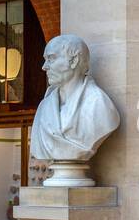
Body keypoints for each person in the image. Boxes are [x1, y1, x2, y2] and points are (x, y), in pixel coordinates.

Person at [29, 34, 119, 164]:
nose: (44, 67)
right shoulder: (44, 107)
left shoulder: (98, 105)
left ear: (74, 60)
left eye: (51, 58)